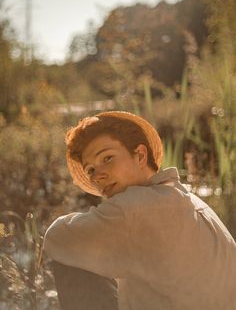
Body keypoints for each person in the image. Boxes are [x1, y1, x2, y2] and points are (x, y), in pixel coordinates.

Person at [43, 111, 236, 310]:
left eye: (107, 158)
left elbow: (55, 238)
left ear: (141, 155)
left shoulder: (135, 208)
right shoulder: (187, 198)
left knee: (71, 254)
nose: (98, 175)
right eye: (90, 170)